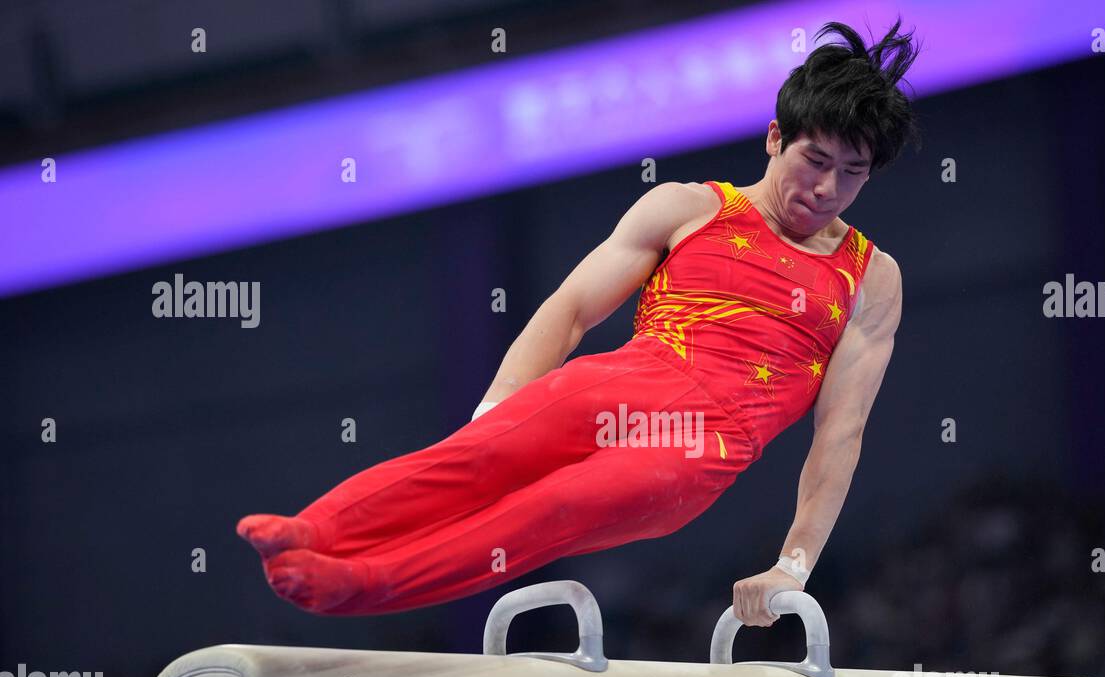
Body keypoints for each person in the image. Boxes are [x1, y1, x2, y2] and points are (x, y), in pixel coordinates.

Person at [237, 19, 919, 627]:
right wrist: (495, 419)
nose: (828, 188)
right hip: (627, 380)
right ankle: (312, 527)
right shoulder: (686, 208)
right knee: (472, 460)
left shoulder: (871, 277)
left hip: (703, 446)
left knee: (545, 511)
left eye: (853, 173)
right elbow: (569, 312)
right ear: (776, 138)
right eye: (816, 160)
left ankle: (355, 582)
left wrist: (792, 567)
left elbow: (841, 432)